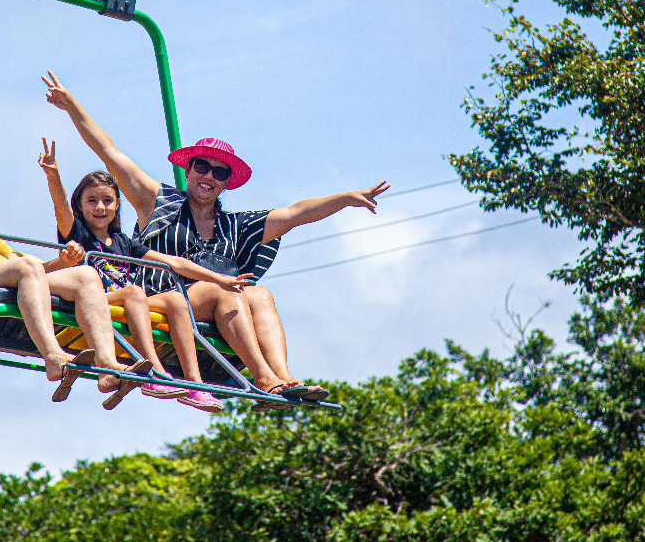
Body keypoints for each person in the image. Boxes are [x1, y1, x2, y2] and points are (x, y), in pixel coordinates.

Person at [42, 69, 389, 406]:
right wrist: (72, 107)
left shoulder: (235, 225)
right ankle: (263, 377)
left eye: (219, 172)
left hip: (215, 308)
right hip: (164, 300)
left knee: (260, 293)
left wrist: (345, 199)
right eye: (202, 168)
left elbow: (296, 212)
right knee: (225, 290)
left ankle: (282, 376)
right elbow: (110, 153)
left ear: (226, 181)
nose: (209, 176)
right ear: (189, 170)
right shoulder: (159, 202)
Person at [0, 159, 150, 408]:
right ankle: (53, 357)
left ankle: (106, 366)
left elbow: (35, 275)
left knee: (85, 275)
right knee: (26, 266)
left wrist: (63, 262)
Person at [39, 138, 251, 413]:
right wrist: (53, 175)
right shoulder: (77, 233)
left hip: (128, 302)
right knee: (135, 291)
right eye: (91, 201)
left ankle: (195, 384)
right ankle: (155, 374)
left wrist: (219, 280)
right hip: (95, 303)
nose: (100, 208)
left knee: (175, 300)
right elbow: (61, 209)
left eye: (107, 201)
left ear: (117, 206)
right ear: (79, 207)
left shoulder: (124, 242)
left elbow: (174, 263)